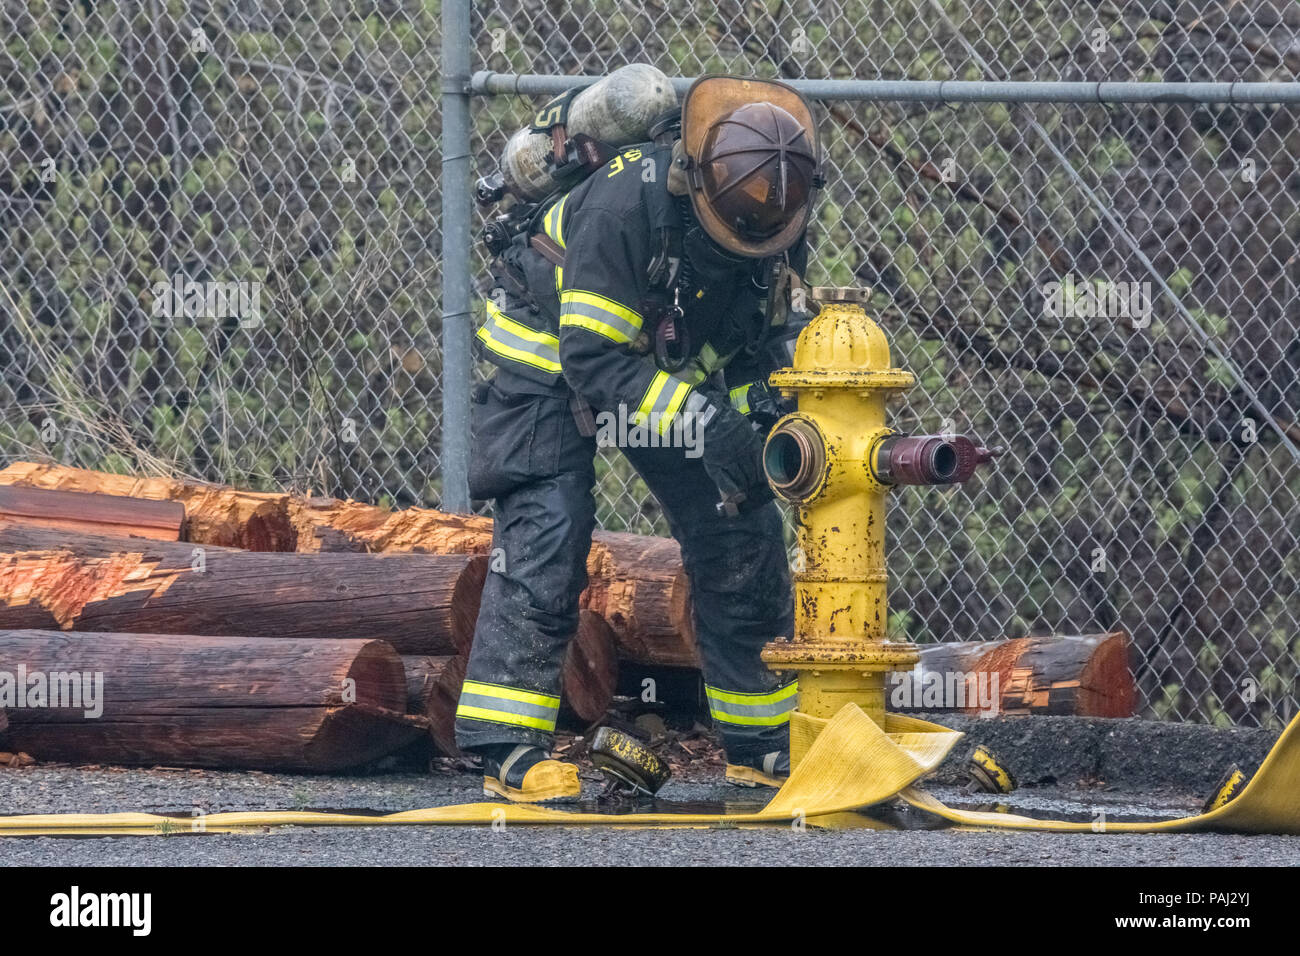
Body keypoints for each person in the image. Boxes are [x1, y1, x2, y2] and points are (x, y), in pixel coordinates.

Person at [457, 75, 822, 802]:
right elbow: (591, 362)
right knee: (550, 529)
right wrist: (706, 423)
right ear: (695, 186)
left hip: (657, 368)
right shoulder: (628, 203)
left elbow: (753, 352)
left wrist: (759, 430)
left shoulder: (773, 215)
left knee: (741, 531)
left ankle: (762, 746)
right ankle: (506, 750)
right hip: (550, 358)